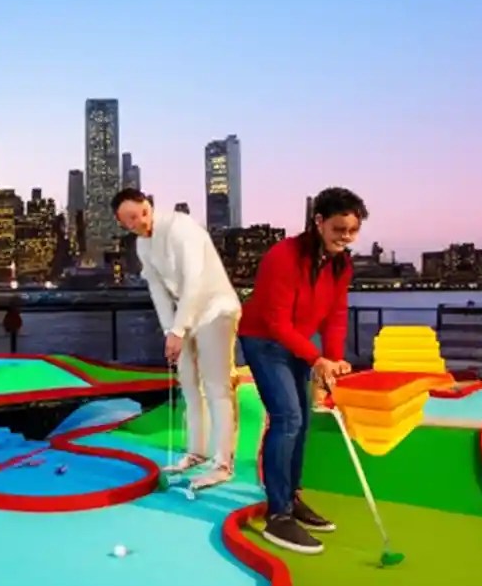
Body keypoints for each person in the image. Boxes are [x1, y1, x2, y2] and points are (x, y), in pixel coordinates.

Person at [238, 186, 367, 554]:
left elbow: (336, 314)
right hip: (264, 341)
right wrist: (316, 359)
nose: (346, 237)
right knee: (287, 418)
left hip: (298, 343)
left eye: (352, 231)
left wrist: (334, 357)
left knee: (303, 420)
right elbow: (276, 321)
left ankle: (291, 497)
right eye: (339, 229)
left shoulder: (341, 263)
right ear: (319, 221)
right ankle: (278, 515)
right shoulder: (283, 256)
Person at [112, 189, 241, 490]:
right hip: (188, 317)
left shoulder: (180, 226)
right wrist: (170, 331)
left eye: (141, 212)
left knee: (217, 387)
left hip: (216, 310)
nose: (139, 221)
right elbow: (158, 291)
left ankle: (223, 463)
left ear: (148, 206)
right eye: (129, 219)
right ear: (121, 222)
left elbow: (194, 280)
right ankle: (196, 452)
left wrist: (178, 330)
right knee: (188, 385)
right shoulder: (143, 246)